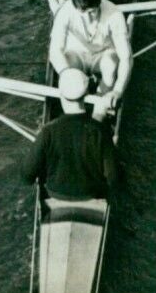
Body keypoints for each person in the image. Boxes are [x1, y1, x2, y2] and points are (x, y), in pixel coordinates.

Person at [21, 66, 119, 201]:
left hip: (54, 195)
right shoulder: (100, 131)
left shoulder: (47, 131)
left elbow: (27, 177)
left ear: (61, 94)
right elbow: (113, 178)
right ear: (86, 95)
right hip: (91, 196)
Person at [48, 0, 132, 123]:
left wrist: (118, 90)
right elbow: (55, 51)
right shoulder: (65, 11)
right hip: (77, 54)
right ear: (75, 7)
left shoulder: (114, 14)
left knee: (111, 66)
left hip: (103, 53)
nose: (88, 18)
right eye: (83, 13)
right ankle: (74, 112)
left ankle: (97, 116)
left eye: (92, 12)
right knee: (66, 64)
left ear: (99, 4)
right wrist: (66, 75)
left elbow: (126, 58)